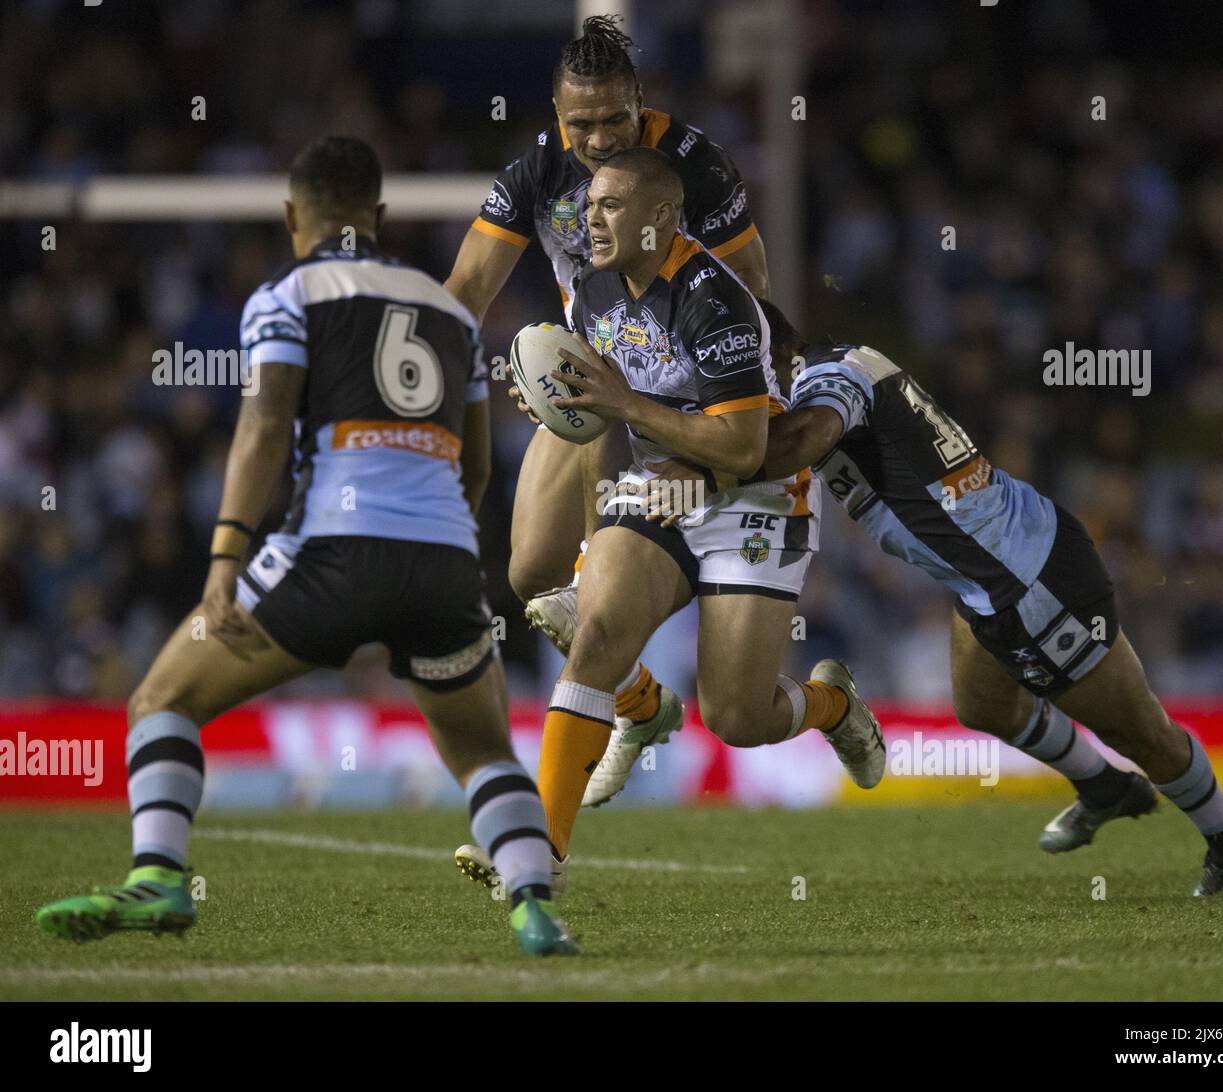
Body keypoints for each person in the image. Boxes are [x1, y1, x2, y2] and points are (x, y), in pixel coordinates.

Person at [35, 137, 577, 954]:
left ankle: (158, 877)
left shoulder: (287, 295)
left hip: (329, 555)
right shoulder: (449, 313)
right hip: (442, 564)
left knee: (161, 700)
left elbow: (261, 426)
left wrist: (226, 558)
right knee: (482, 752)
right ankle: (534, 903)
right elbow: (474, 470)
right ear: (381, 217)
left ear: (293, 216)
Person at [614, 300, 1223, 896]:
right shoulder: (824, 373)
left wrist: (685, 447)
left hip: (1029, 582)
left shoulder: (828, 379)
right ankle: (1104, 786)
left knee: (1138, 730)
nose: (721, 402)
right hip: (994, 573)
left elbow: (799, 442)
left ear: (767, 356)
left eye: (725, 383)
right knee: (982, 703)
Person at [454, 149, 885, 898]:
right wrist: (559, 396)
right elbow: (600, 390)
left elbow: (746, 447)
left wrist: (620, 404)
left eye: (610, 206)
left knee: (737, 716)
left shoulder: (712, 302)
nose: (589, 218)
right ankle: (536, 850)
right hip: (661, 486)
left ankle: (833, 703)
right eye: (588, 206)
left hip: (755, 495)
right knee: (595, 630)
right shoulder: (589, 290)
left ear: (660, 219)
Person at [444, 15, 771, 778]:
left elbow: (754, 291)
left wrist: (718, 432)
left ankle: (619, 665)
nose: (597, 138)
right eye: (579, 123)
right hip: (599, 377)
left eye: (614, 118)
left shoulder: (696, 165)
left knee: (598, 603)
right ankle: (643, 704)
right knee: (531, 579)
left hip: (694, 401)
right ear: (557, 116)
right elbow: (466, 290)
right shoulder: (534, 174)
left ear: (641, 102)